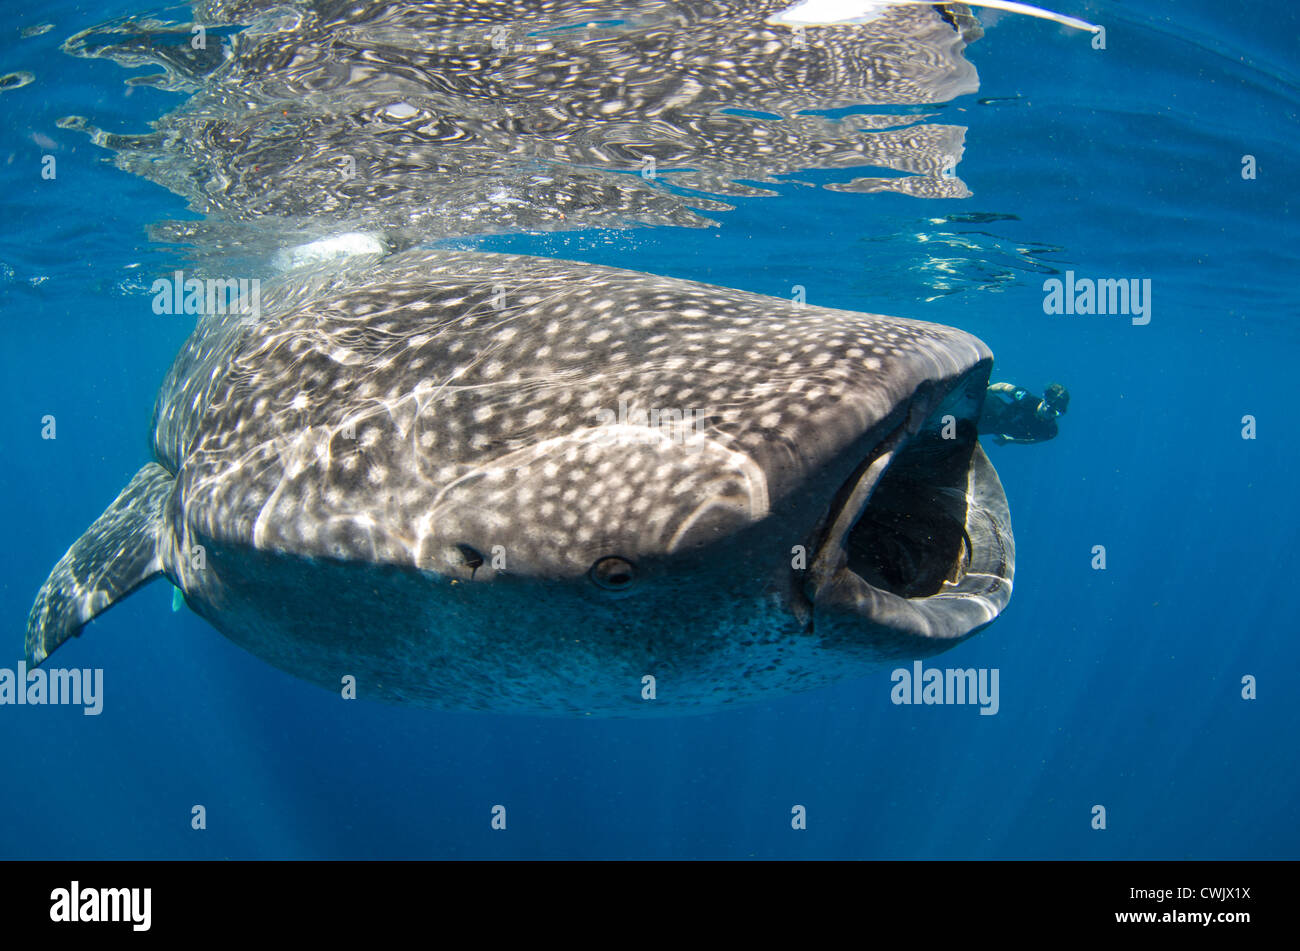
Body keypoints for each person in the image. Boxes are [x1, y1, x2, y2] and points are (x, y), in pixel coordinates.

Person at [978, 382, 1070, 445]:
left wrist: (1010, 440)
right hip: (991, 408)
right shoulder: (1026, 399)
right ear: (1045, 399)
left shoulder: (1050, 430)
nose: (1052, 415)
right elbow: (1004, 387)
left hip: (992, 428)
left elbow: (1032, 440)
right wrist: (984, 391)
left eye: (1057, 413)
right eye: (1051, 409)